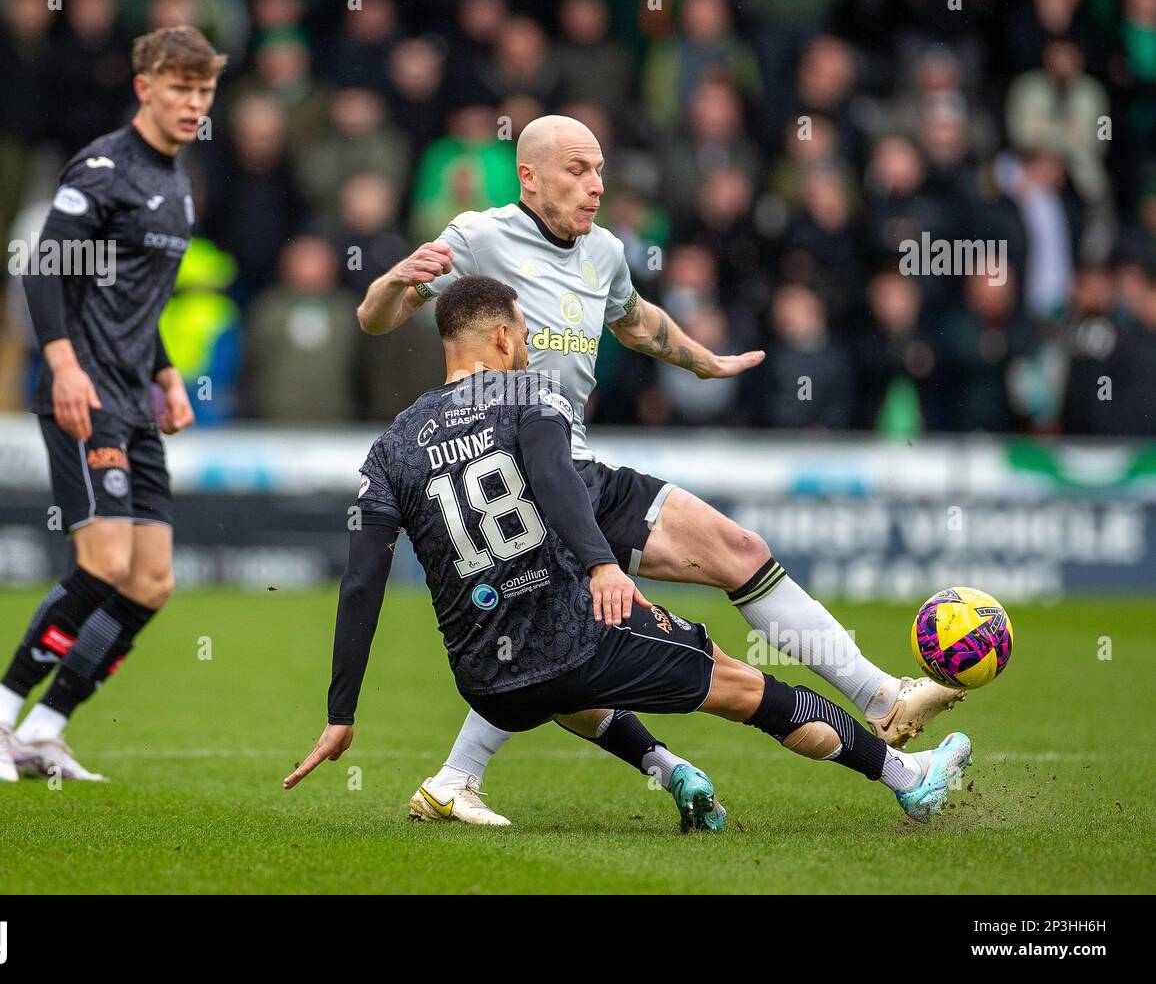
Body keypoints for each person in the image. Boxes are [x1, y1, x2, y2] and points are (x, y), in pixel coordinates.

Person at [356, 114, 966, 825]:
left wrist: (701, 359)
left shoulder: (605, 251)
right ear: (528, 176)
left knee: (717, 564)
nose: (596, 185)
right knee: (558, 651)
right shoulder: (478, 237)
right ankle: (462, 774)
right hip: (520, 477)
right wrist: (395, 280)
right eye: (577, 170)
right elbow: (378, 317)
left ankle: (873, 698)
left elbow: (635, 319)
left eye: (600, 170)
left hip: (571, 465)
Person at [285, 277, 973, 827]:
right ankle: (911, 780)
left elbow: (360, 583)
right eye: (522, 332)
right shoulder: (530, 394)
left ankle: (666, 770)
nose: (526, 345)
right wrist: (602, 562)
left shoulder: (392, 444)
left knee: (563, 685)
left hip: (488, 681)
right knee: (747, 689)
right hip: (580, 640)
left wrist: (341, 712)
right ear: (502, 335)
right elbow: (558, 482)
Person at [0, 26, 225, 782]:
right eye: (180, 89)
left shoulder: (179, 182)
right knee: (105, 563)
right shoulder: (105, 167)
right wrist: (64, 367)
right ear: (144, 87)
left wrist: (168, 373)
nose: (192, 104)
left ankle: (45, 728)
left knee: (151, 581)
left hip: (135, 399)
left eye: (203, 92)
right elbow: (44, 272)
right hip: (84, 395)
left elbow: (137, 299)